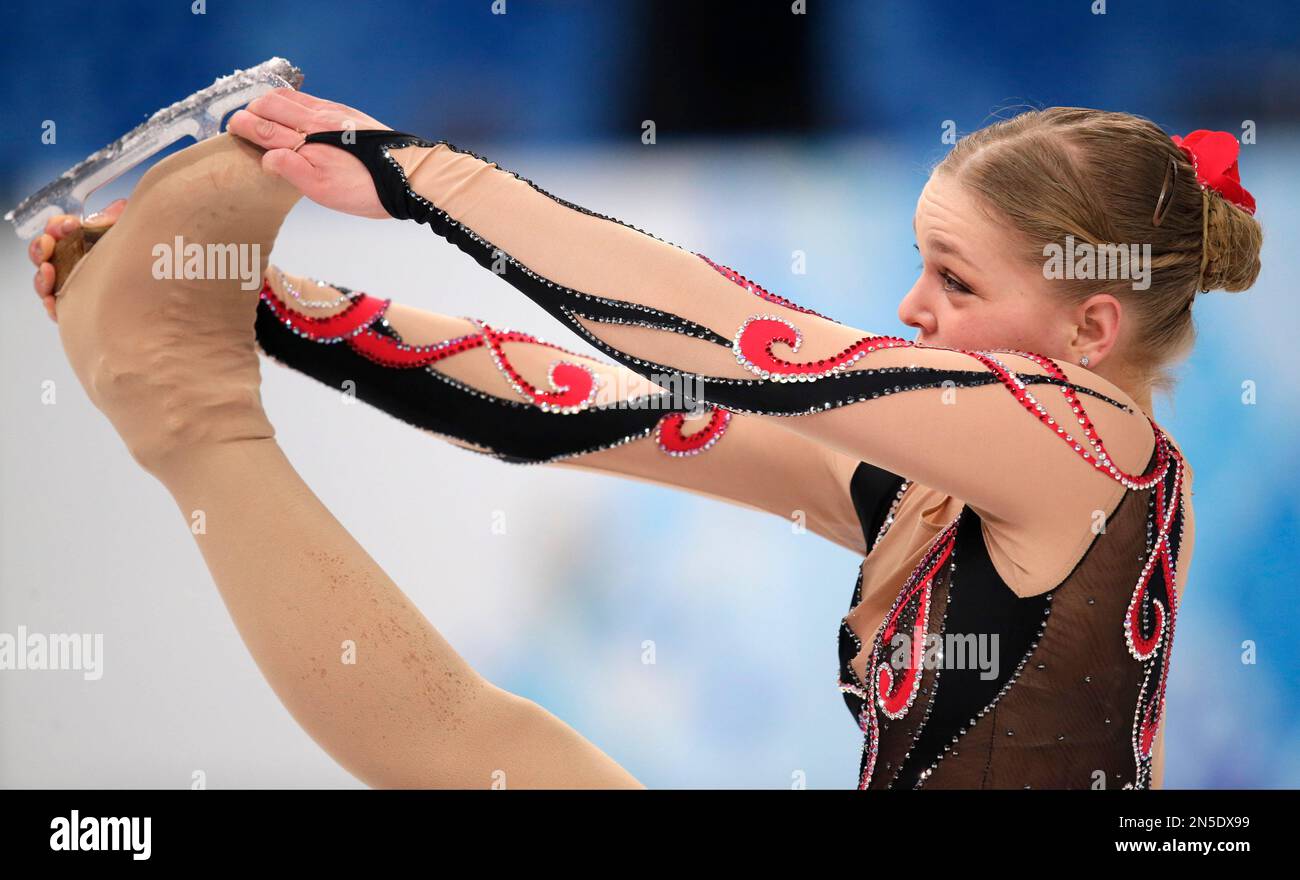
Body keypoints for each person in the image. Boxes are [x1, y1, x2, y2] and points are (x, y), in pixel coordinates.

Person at [28, 95, 1262, 789]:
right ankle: (181, 382)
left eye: (950, 276)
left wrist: (420, 175)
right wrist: (250, 299)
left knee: (478, 752)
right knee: (498, 760)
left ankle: (183, 408)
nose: (910, 309)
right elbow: (583, 403)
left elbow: (734, 337)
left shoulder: (1095, 446)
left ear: (1090, 323)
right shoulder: (941, 492)